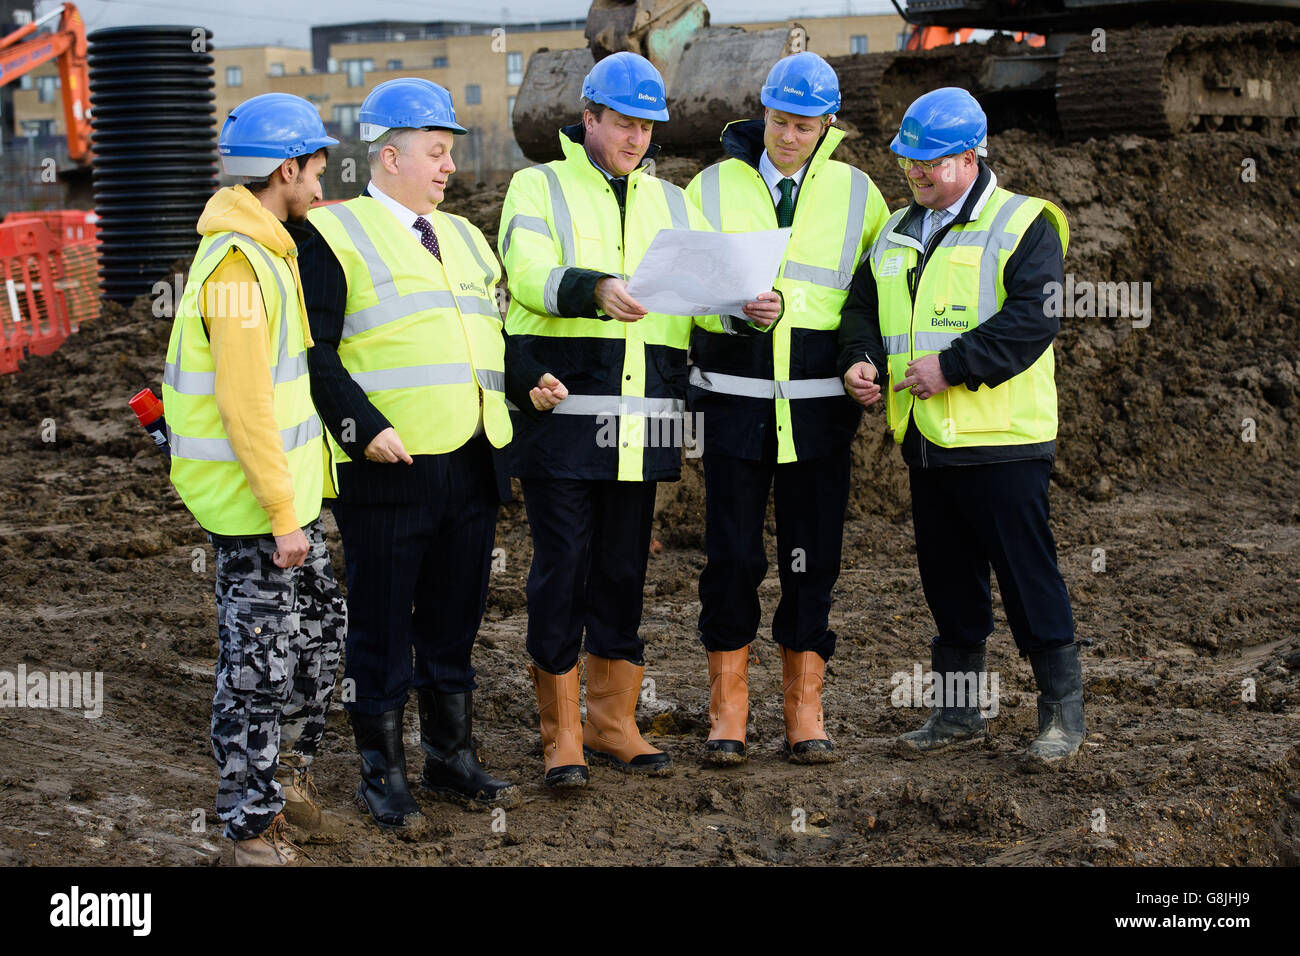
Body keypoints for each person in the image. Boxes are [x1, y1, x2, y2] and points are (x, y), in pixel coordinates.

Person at [499, 52, 768, 788]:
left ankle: (612, 721)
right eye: (623, 123)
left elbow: (694, 300)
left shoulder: (671, 202)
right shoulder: (538, 184)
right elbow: (526, 273)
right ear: (589, 118)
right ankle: (561, 733)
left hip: (644, 423)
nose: (636, 138)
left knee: (622, 572)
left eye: (647, 126)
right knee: (562, 573)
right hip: (563, 421)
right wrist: (596, 289)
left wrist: (742, 313)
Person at [300, 78, 537, 830]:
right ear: (390, 155)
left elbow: (487, 337)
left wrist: (531, 379)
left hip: (471, 460)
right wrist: (359, 427)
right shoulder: (333, 234)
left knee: (453, 617)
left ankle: (449, 755)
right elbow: (315, 353)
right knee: (381, 624)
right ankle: (383, 773)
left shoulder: (466, 236)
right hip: (388, 468)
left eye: (449, 155)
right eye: (436, 153)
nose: (447, 168)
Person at [838, 87, 1084, 762]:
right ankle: (956, 717)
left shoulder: (1025, 223)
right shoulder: (895, 229)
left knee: (1028, 577)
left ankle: (1062, 717)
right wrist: (858, 358)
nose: (917, 174)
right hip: (926, 440)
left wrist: (953, 365)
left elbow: (1033, 319)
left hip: (1003, 441)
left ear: (972, 158)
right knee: (948, 583)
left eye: (932, 164)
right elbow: (862, 308)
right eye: (909, 162)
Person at [685, 52, 888, 765]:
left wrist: (867, 361)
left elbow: (872, 302)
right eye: (778, 122)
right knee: (733, 560)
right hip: (735, 412)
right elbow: (683, 296)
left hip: (819, 417)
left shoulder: (861, 196)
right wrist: (735, 314)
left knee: (812, 563)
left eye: (803, 126)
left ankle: (805, 711)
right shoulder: (708, 188)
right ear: (761, 114)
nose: (788, 137)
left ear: (827, 124)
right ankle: (728, 713)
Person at [162, 92, 346, 865]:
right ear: (285, 167)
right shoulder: (238, 266)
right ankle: (248, 826)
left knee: (318, 646)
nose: (326, 175)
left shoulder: (269, 249)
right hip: (256, 512)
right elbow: (244, 406)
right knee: (259, 670)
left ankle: (287, 785)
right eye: (316, 163)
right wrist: (281, 515)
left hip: (293, 502)